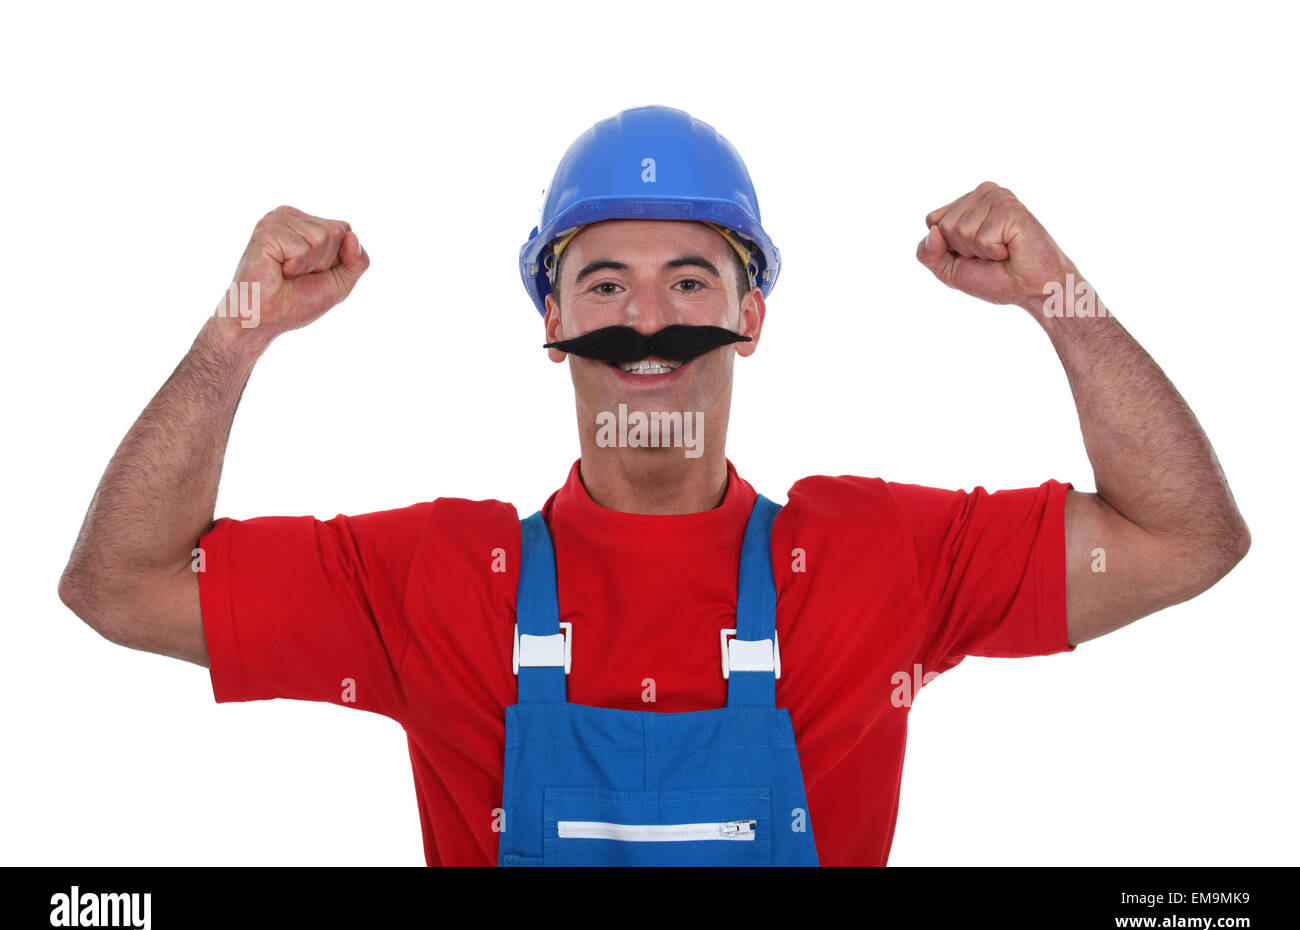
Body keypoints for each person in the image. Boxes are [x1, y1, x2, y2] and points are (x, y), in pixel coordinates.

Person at [58, 105, 1250, 866]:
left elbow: (1184, 537)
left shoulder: (876, 552)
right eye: (604, 283)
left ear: (749, 317)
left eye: (689, 281)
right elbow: (119, 585)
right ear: (551, 319)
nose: (646, 322)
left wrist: (1061, 295)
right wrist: (236, 334)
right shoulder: (432, 576)